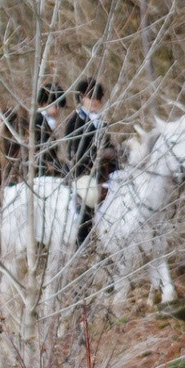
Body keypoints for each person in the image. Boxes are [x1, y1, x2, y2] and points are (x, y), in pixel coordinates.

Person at [58, 78, 116, 246]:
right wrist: (99, 154)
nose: (96, 102)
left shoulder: (101, 121)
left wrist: (116, 153)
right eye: (92, 97)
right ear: (82, 97)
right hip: (82, 171)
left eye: (98, 98)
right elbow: (76, 150)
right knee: (89, 197)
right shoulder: (74, 121)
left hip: (104, 172)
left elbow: (108, 144)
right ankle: (83, 242)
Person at [28, 84, 69, 177]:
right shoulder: (38, 121)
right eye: (56, 106)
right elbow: (41, 148)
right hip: (40, 169)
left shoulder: (49, 121)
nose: (58, 110)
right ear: (44, 103)